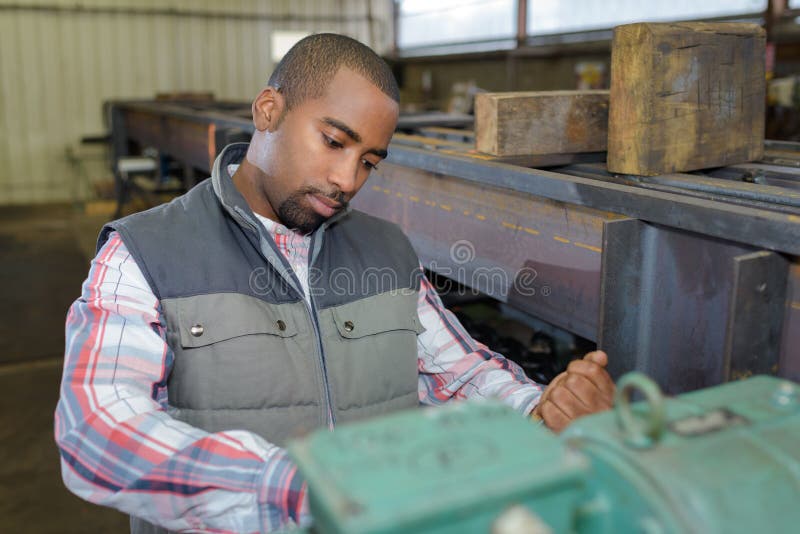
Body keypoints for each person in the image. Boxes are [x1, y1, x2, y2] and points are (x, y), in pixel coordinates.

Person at [55, 33, 615, 534]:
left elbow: (457, 372)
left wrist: (542, 409)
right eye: (333, 141)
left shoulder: (386, 251)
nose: (348, 180)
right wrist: (305, 487)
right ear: (269, 110)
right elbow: (98, 431)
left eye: (369, 161)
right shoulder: (145, 254)